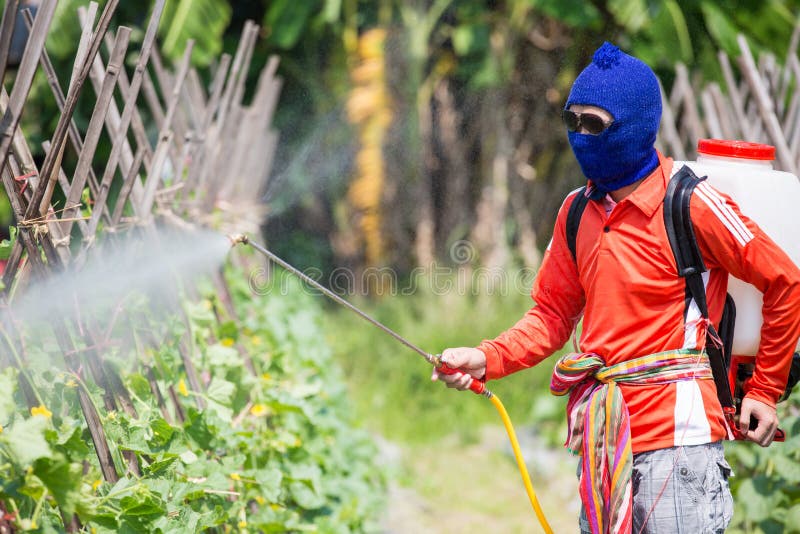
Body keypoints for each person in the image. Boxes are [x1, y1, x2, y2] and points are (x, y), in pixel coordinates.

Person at [432, 42, 800, 533]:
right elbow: (552, 316)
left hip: (679, 445)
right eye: (572, 121)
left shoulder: (691, 204)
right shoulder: (576, 212)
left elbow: (786, 280)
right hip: (604, 443)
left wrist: (765, 390)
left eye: (594, 124)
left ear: (636, 125)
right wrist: (486, 357)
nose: (581, 136)